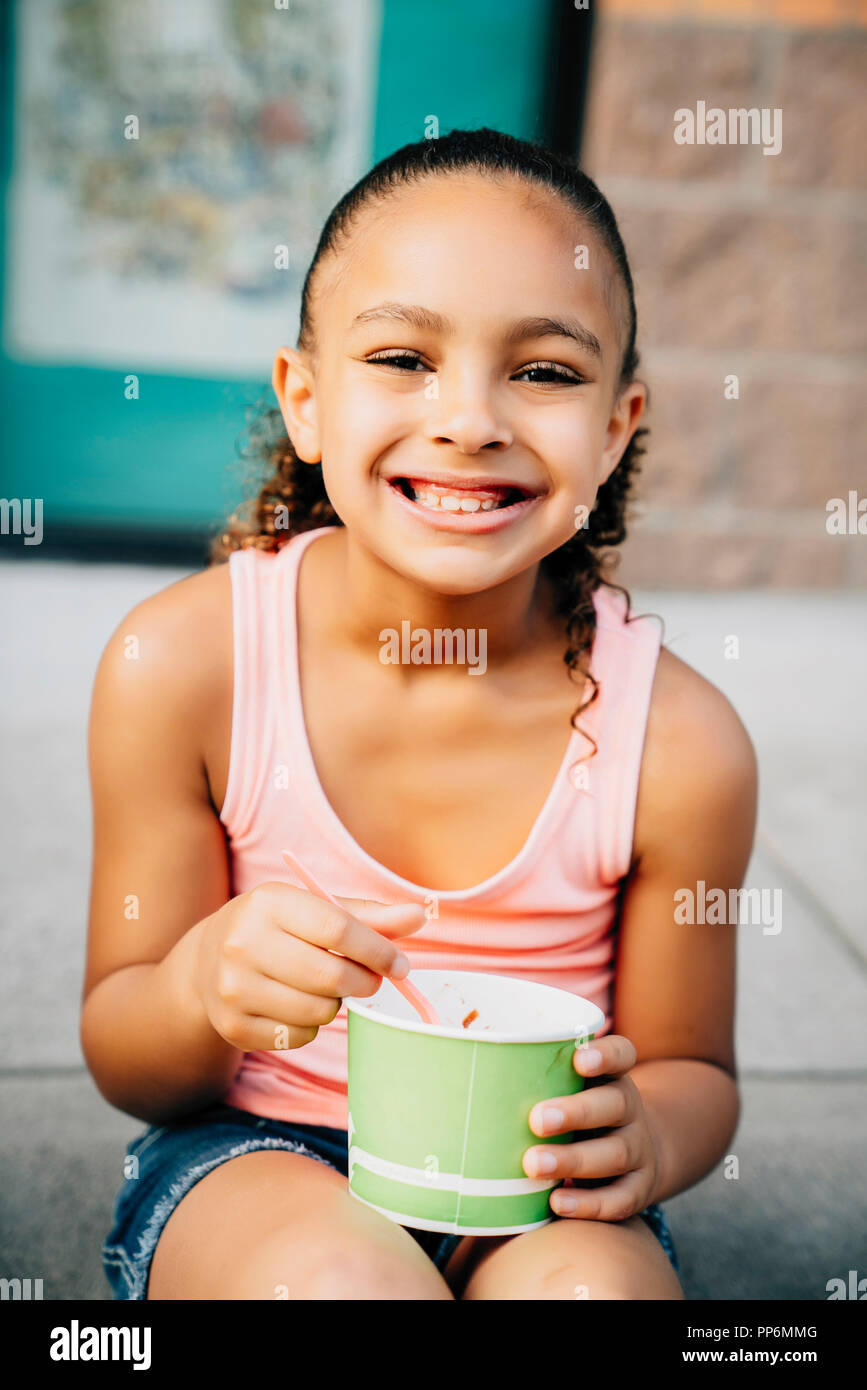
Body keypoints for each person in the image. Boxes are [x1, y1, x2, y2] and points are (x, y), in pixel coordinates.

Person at [84, 127, 757, 1300]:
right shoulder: (185, 667)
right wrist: (201, 987)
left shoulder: (681, 746)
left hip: (533, 1187)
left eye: (543, 371)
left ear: (614, 426)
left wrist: (646, 1133)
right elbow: (128, 1051)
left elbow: (693, 1064)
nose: (469, 419)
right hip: (257, 1154)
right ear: (304, 399)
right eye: (403, 356)